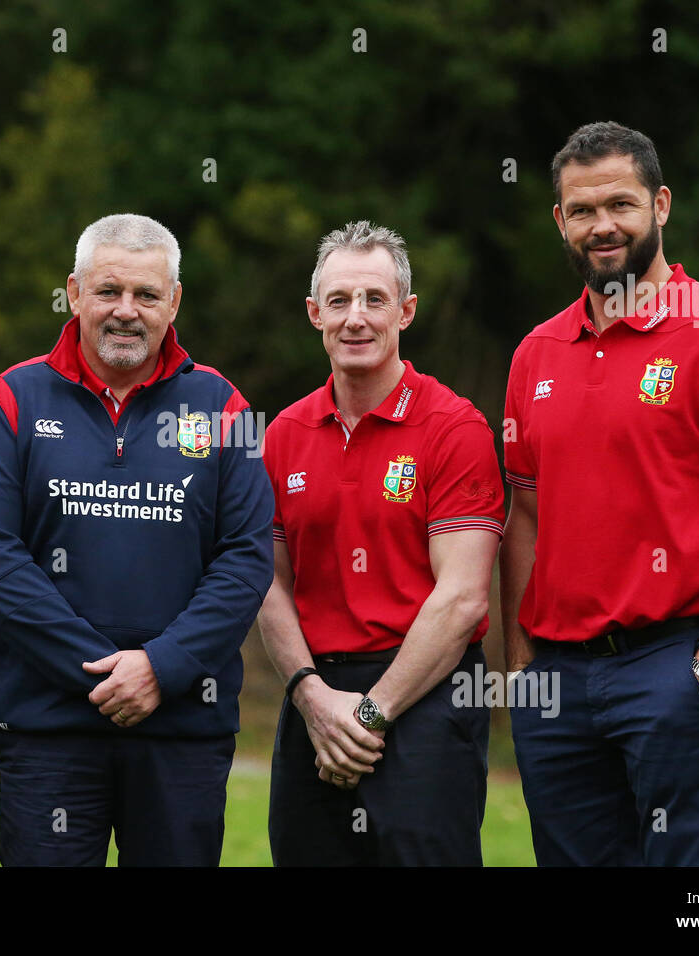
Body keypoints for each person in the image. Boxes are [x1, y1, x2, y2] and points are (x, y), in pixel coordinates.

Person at [501, 121, 699, 866]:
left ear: (660, 205)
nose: (603, 226)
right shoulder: (535, 353)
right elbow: (524, 520)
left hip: (677, 661)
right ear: (559, 221)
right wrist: (516, 670)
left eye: (621, 204)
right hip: (558, 681)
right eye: (581, 210)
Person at [0, 213, 274, 867]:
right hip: (48, 729)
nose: (125, 311)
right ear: (74, 293)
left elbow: (245, 558)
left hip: (182, 730)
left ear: (174, 302)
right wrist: (101, 673)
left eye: (146, 295)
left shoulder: (226, 409)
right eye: (108, 291)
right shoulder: (11, 399)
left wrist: (161, 667)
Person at [258, 221, 504, 866]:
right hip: (314, 697)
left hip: (424, 692)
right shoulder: (283, 434)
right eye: (338, 301)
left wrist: (370, 715)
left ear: (406, 310)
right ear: (315, 314)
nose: (356, 318)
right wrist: (313, 699)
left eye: (374, 299)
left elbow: (462, 600)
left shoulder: (455, 428)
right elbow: (267, 584)